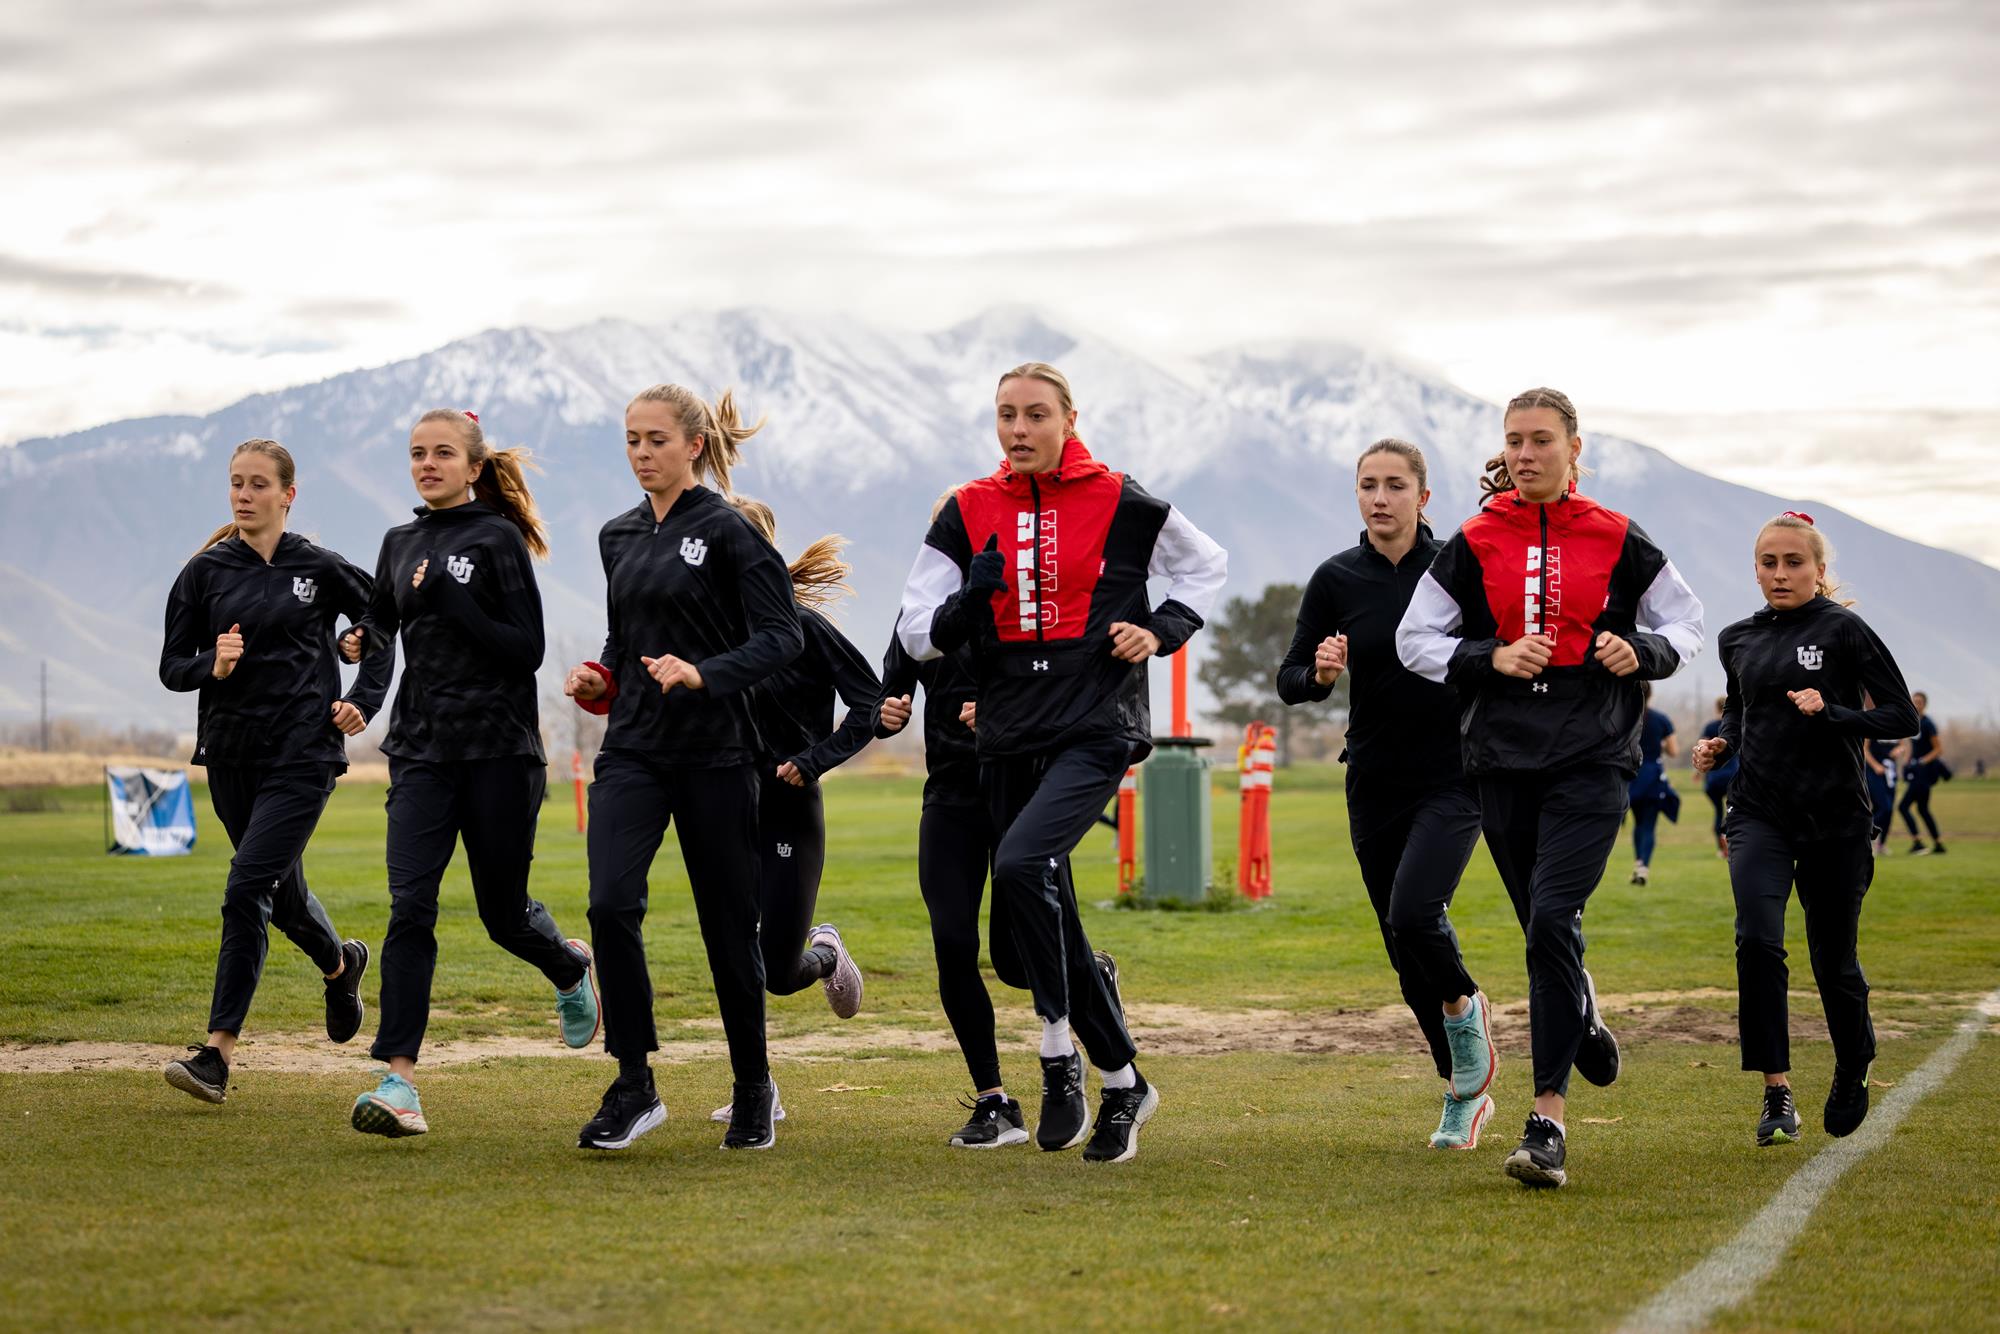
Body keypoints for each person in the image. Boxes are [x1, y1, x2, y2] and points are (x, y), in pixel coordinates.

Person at [896, 361, 1226, 1163]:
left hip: (1097, 723)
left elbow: (1204, 565)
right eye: (1005, 415)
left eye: (1035, 415)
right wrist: (966, 607)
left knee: (1020, 864)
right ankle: (1123, 1084)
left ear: (1069, 418)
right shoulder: (969, 510)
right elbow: (912, 631)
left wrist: (1161, 628)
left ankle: (1057, 1053)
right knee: (1050, 909)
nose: (1017, 430)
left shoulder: (1123, 498)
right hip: (1008, 732)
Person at [1397, 387, 1703, 1188]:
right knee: (1543, 925)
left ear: (1572, 447)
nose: (1526, 453)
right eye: (1514, 441)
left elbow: (1685, 622)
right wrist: (1489, 658)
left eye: (1541, 439)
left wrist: (1643, 651)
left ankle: (1546, 1124)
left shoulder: (1615, 535)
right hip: (1500, 761)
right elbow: (1414, 639)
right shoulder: (1473, 540)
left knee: (1551, 920)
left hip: (1593, 758)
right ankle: (1585, 1010)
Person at [342, 410, 598, 1139]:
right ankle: (399, 1082)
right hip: (421, 751)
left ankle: (568, 965)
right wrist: (358, 637)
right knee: (409, 909)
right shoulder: (399, 542)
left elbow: (527, 650)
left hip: (499, 753)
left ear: (473, 467)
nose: (427, 464)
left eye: (442, 453)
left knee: (501, 915)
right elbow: (381, 620)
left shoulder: (496, 539)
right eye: (417, 453)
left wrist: (455, 602)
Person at [564, 384, 804, 1152]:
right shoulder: (617, 535)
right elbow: (621, 638)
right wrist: (599, 679)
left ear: (693, 446)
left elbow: (782, 637)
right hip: (633, 750)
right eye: (632, 440)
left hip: (717, 755)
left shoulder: (731, 532)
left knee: (729, 931)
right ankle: (634, 1084)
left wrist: (705, 673)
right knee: (608, 905)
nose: (641, 453)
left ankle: (752, 1087)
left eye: (656, 440)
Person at [1275, 439, 1497, 1151]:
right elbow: (1289, 679)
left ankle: (1467, 1017)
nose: (1380, 497)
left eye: (1395, 485)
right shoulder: (1336, 578)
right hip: (1372, 778)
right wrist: (1319, 671)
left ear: (1423, 498)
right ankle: (1462, 1091)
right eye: (1368, 485)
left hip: (1453, 774)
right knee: (1403, 952)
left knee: (1415, 911)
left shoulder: (1458, 570)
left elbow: (1493, 656)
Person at [158, 438, 389, 1104]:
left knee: (245, 887)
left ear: (289, 494)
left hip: (303, 756)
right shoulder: (204, 574)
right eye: (236, 483)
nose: (243, 494)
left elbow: (380, 625)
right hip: (230, 756)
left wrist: (361, 699)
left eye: (258, 484)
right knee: (281, 898)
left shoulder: (319, 567)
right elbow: (173, 667)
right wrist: (214, 664)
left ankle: (215, 1056)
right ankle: (342, 964)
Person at [1692, 511, 1916, 1145]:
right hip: (1759, 813)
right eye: (1769, 562)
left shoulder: (1844, 630)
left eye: (1794, 563)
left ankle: (1853, 1063)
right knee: (1758, 942)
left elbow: (1902, 717)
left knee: (1832, 961)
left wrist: (1833, 711)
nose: (1781, 573)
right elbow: (1742, 714)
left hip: (1836, 820)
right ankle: (1776, 1091)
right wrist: (1721, 745)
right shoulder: (1737, 637)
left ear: (1819, 570)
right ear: (1755, 569)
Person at [704, 495, 874, 1128]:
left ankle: (825, 952)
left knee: (776, 971)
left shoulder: (804, 630)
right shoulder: (705, 637)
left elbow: (869, 705)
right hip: (722, 810)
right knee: (730, 955)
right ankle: (757, 1087)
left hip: (788, 812)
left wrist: (813, 759)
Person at [1626, 682, 1681, 884]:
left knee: (1638, 823)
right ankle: (1643, 867)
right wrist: (1661, 745)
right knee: (1649, 825)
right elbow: (1674, 751)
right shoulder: (1660, 719)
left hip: (1631, 777)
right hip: (1652, 778)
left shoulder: (1625, 717)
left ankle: (1638, 863)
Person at [1898, 692, 1947, 855]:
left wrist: (1922, 762)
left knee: (1903, 806)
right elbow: (1912, 747)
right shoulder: (1914, 722)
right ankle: (1938, 844)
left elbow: (1939, 749)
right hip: (1916, 772)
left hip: (1925, 773)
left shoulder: (1927, 724)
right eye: (1914, 702)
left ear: (1925, 704)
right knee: (1922, 809)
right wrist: (1907, 760)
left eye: (1919, 702)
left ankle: (1917, 842)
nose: (1916, 704)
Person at [1698, 696, 1739, 858]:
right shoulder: (1736, 727)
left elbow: (1704, 752)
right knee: (1732, 813)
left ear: (1716, 708)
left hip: (1714, 778)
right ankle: (1732, 845)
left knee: (1718, 811)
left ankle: (1721, 849)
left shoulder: (1710, 727)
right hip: (1732, 776)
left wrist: (1698, 773)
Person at [1865, 734, 1897, 855]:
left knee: (1889, 811)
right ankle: (1867, 837)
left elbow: (1904, 745)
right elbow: (1865, 749)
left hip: (1890, 773)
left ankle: (1881, 844)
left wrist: (1900, 750)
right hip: (1874, 773)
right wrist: (1875, 766)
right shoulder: (1873, 719)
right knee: (1884, 807)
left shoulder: (1896, 722)